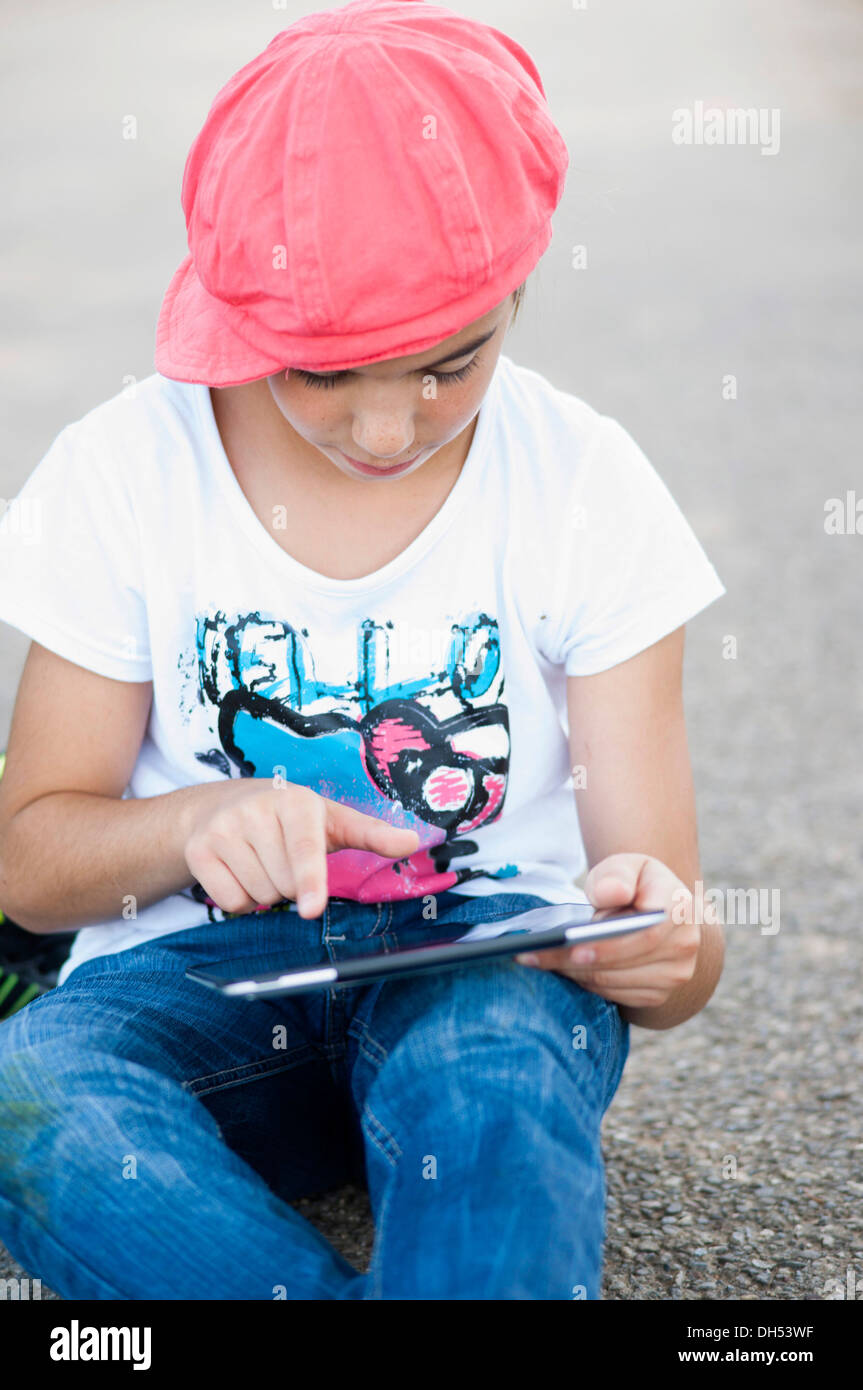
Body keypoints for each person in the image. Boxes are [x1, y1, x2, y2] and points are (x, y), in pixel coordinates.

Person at [0, 0, 726, 1300]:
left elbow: (665, 914)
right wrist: (191, 823)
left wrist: (670, 950)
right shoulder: (126, 471)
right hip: (193, 978)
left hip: (485, 966)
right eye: (321, 373)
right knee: (25, 1086)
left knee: (495, 1079)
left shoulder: (584, 487)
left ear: (518, 288)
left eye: (450, 366)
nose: (389, 428)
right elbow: (33, 866)